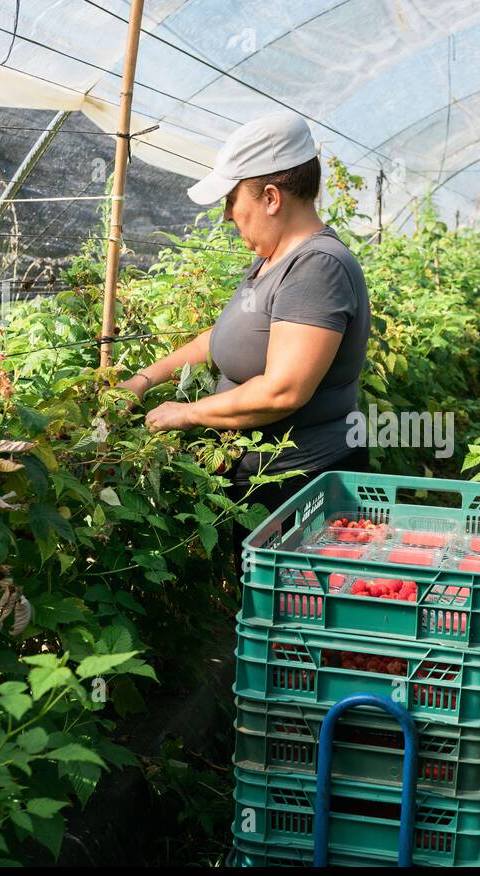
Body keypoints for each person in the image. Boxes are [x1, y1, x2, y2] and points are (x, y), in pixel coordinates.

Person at [121, 112, 372, 580]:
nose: (226, 216)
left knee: (300, 623)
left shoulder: (316, 268)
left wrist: (186, 413)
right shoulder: (275, 260)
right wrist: (143, 379)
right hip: (269, 483)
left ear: (271, 198)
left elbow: (283, 391)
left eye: (232, 200)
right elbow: (218, 340)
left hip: (300, 486)